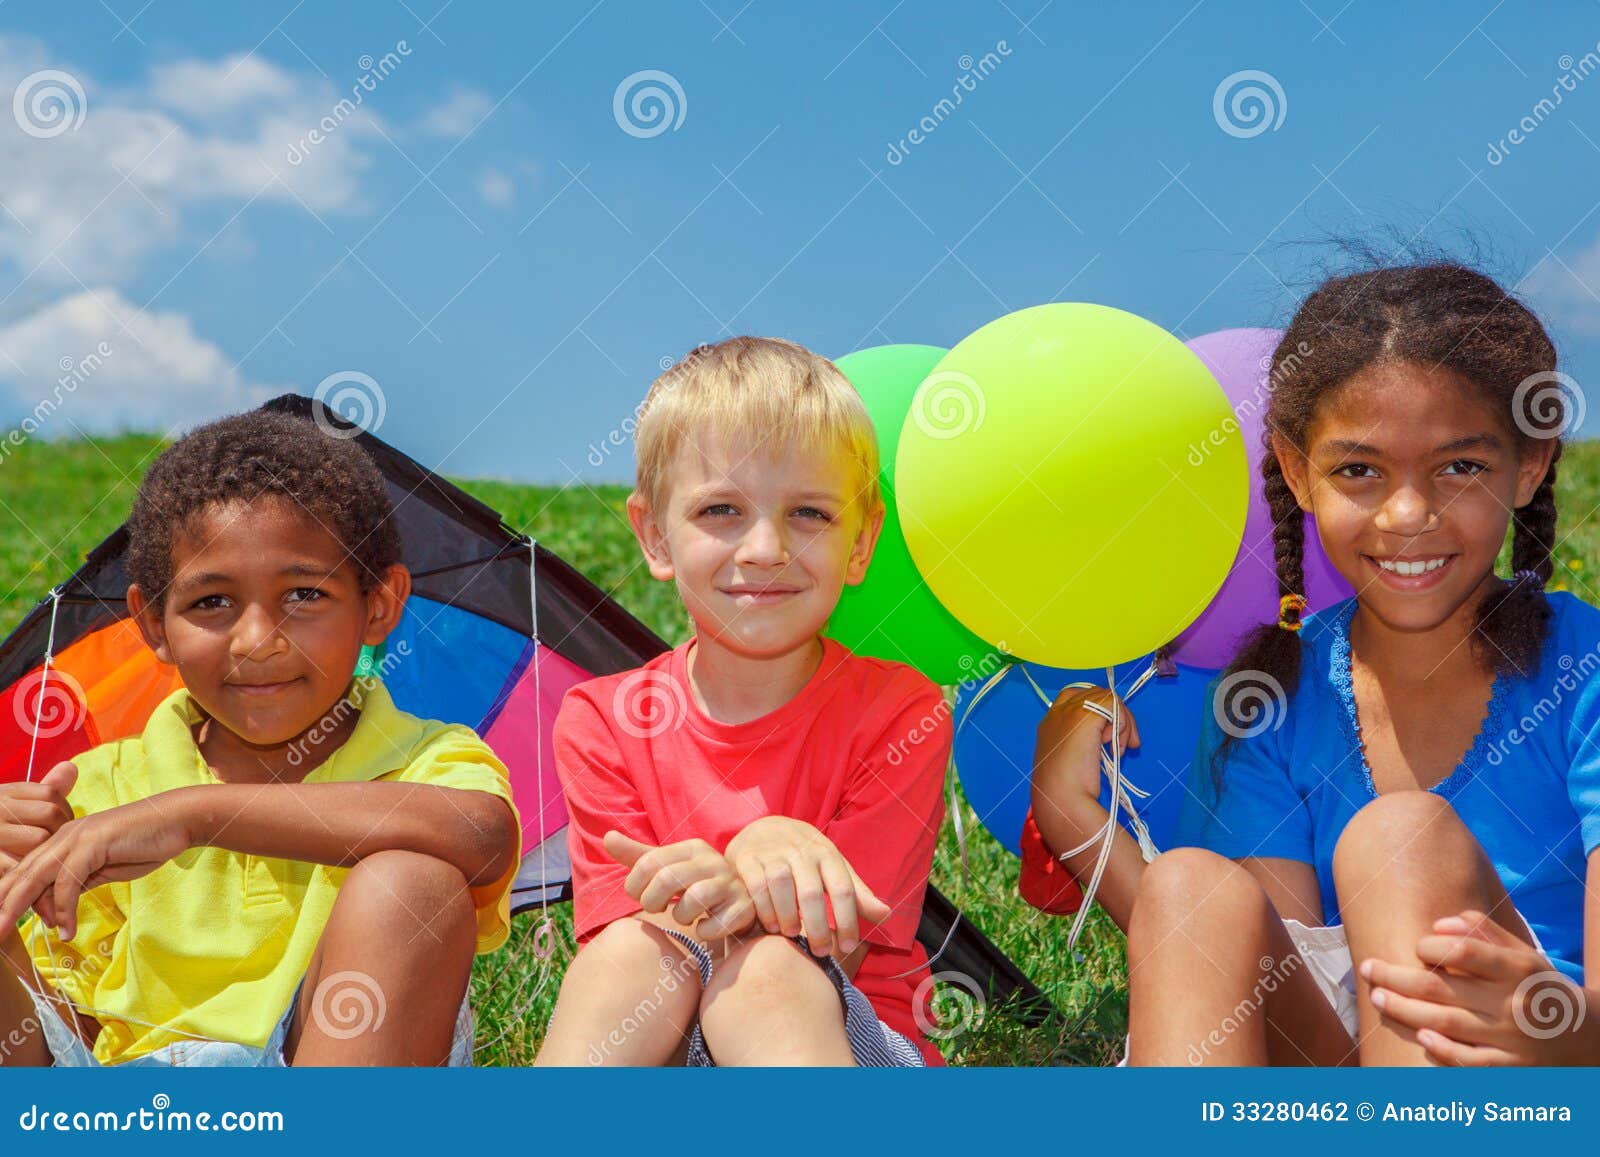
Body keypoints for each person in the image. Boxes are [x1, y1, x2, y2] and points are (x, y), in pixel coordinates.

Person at [1023, 260, 1600, 1065]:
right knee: (1191, 884)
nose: (1407, 513)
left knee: (1401, 839)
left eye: (1460, 467)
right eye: (1359, 470)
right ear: (1297, 472)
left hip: (1551, 1074)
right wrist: (1074, 816)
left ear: (1530, 464)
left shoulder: (1585, 671)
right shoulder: (1272, 696)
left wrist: (1546, 1023)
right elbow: (1248, 976)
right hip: (1347, 1083)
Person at [0, 410, 521, 1067]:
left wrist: (191, 816)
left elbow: (482, 835)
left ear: (380, 604)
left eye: (303, 593)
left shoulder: (424, 757)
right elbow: (58, 1040)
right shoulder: (101, 789)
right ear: (153, 623)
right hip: (132, 1105)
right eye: (211, 602)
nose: (256, 640)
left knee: (411, 883)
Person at [537, 336, 950, 1066]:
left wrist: (757, 863)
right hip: (665, 1043)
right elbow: (621, 950)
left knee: (766, 977)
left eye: (810, 514)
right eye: (722, 508)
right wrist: (749, 866)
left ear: (861, 542)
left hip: (837, 1035)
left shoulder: (900, 713)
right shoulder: (601, 721)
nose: (765, 548)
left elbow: (843, 945)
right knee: (635, 954)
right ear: (655, 535)